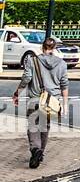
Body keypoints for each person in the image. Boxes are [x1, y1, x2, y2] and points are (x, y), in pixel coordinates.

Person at [10, 37, 69, 169]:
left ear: (42, 47)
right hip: (51, 102)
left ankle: (36, 149)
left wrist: (17, 93)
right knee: (45, 126)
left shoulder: (33, 61)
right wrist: (64, 105)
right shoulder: (62, 64)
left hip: (35, 99)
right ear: (54, 49)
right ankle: (40, 152)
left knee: (33, 126)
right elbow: (64, 85)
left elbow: (26, 79)